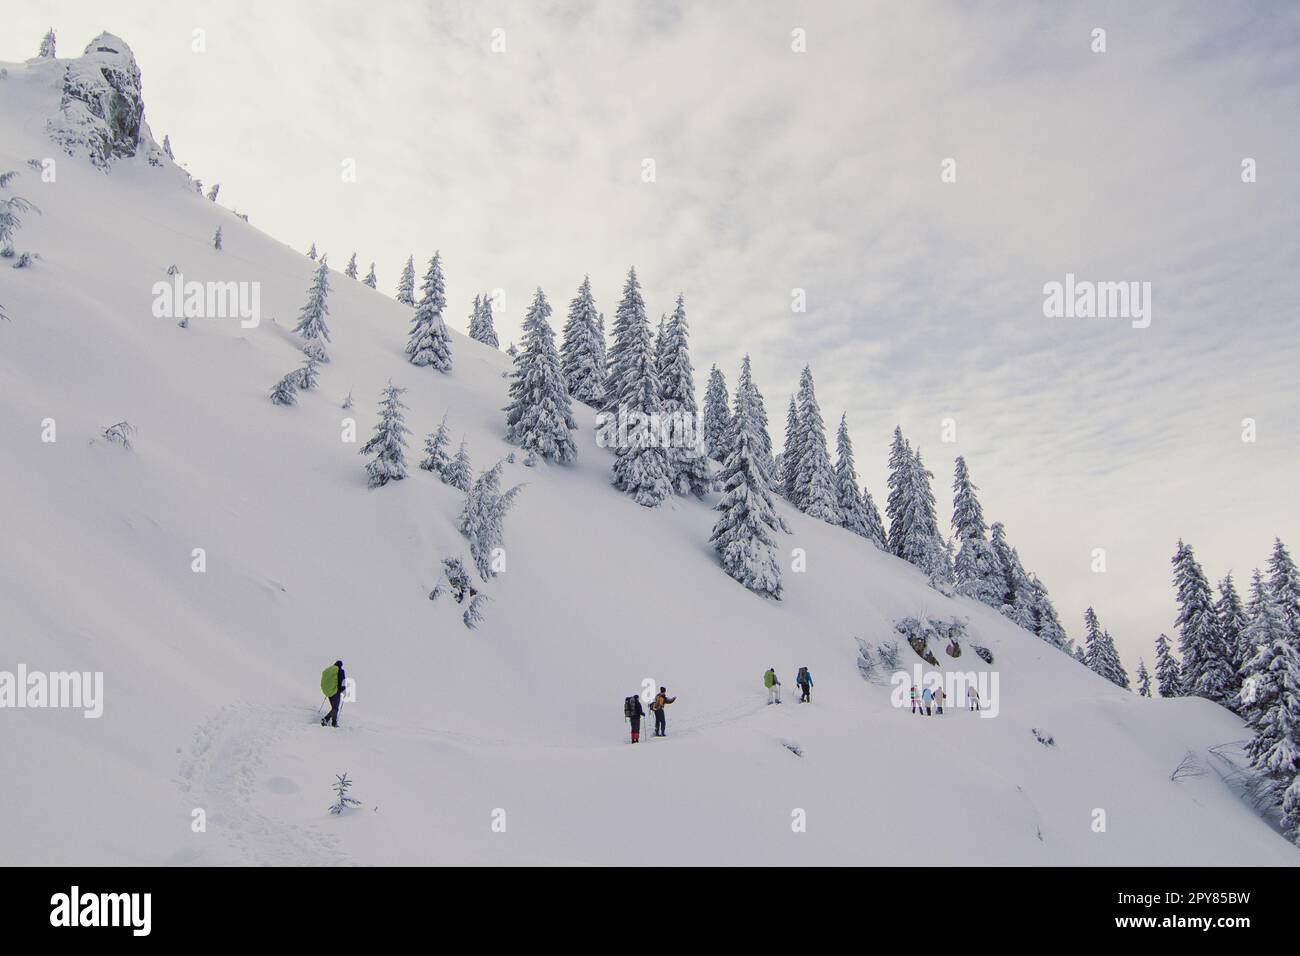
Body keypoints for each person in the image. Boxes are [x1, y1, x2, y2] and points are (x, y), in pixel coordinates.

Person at [320, 660, 346, 728]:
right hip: (335, 691)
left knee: (334, 708)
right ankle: (326, 719)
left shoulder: (330, 669)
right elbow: (342, 681)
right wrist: (343, 689)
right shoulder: (340, 670)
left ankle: (334, 722)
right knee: (335, 708)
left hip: (328, 692)